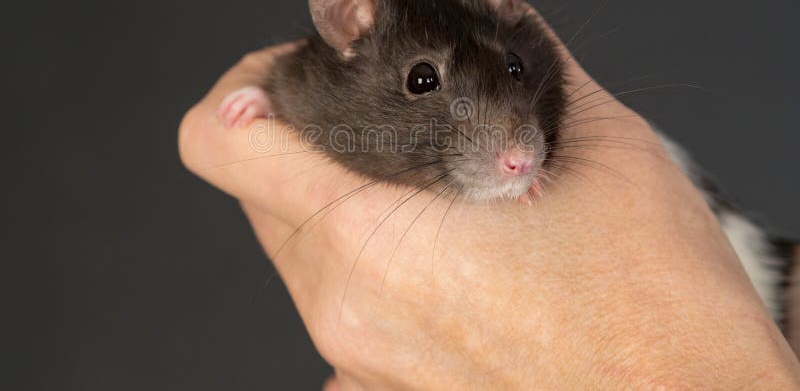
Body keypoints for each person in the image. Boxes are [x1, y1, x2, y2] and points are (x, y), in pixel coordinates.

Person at [178, 40, 800, 389]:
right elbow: (295, 81)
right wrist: (262, 101)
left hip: (758, 285)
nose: (515, 148)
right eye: (425, 81)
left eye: (509, 71)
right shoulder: (323, 84)